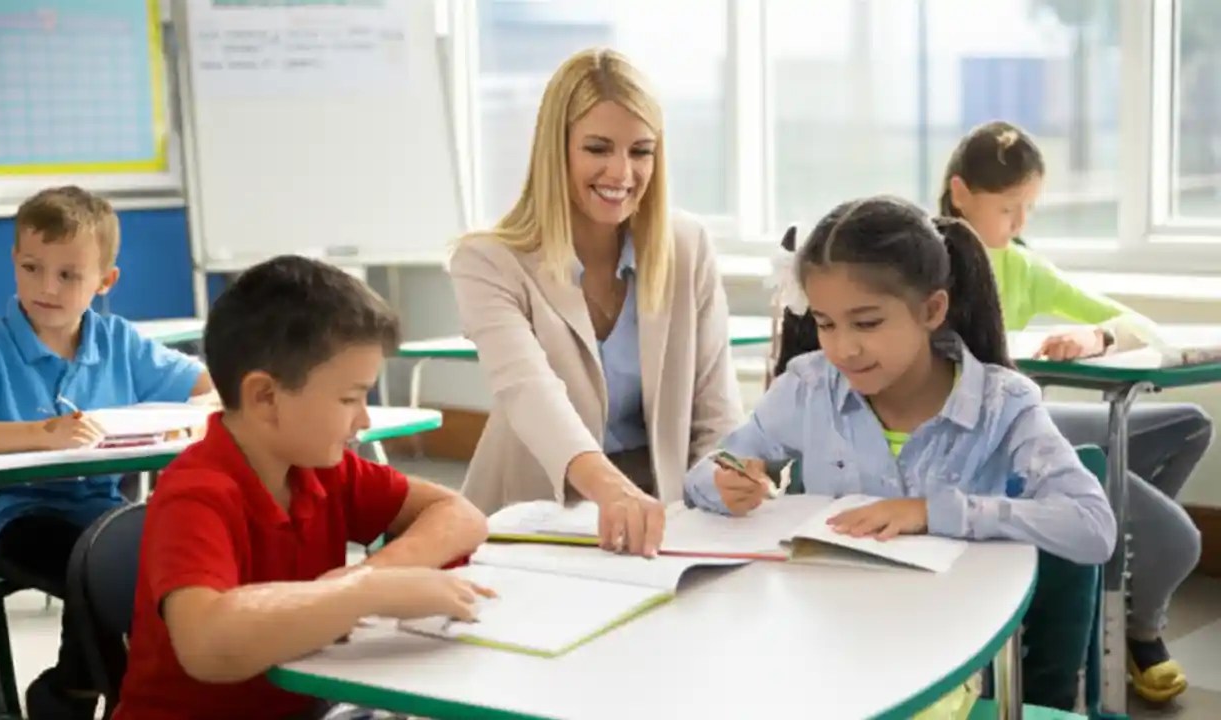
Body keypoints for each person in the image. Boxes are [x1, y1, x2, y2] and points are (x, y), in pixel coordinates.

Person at [686, 195, 1115, 710]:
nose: (843, 349)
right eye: (825, 323)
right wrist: (722, 483)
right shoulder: (808, 388)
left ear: (932, 310)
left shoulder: (1003, 406)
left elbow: (1093, 527)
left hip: (944, 660)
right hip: (821, 648)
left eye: (866, 323)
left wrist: (933, 512)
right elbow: (706, 473)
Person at [114, 255, 491, 720]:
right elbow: (206, 642)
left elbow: (460, 515)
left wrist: (367, 576)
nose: (364, 419)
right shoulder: (196, 493)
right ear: (266, 398)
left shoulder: (319, 467)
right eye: (349, 398)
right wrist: (364, 595)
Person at [941, 120, 1210, 702]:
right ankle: (1140, 629)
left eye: (1029, 209)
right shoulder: (920, 258)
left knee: (1191, 424)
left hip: (1032, 419)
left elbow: (1138, 325)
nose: (1019, 225)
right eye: (1009, 209)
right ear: (960, 192)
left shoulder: (1022, 266)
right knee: (1179, 540)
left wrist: (1096, 340)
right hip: (990, 439)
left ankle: (1116, 584)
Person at [448, 47, 743, 557]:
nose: (621, 172)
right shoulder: (488, 260)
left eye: (641, 151)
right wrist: (610, 489)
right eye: (598, 148)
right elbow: (530, 393)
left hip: (658, 514)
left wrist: (732, 471)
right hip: (532, 513)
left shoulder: (687, 246)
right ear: (556, 150)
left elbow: (715, 409)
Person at [0, 186, 214, 718]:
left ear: (105, 281)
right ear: (14, 263)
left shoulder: (118, 342)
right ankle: (109, 701)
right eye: (31, 266)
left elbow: (204, 388)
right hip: (11, 515)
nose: (46, 287)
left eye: (68, 275)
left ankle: (70, 691)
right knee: (96, 569)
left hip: (99, 509)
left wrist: (179, 426)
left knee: (167, 564)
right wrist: (39, 433)